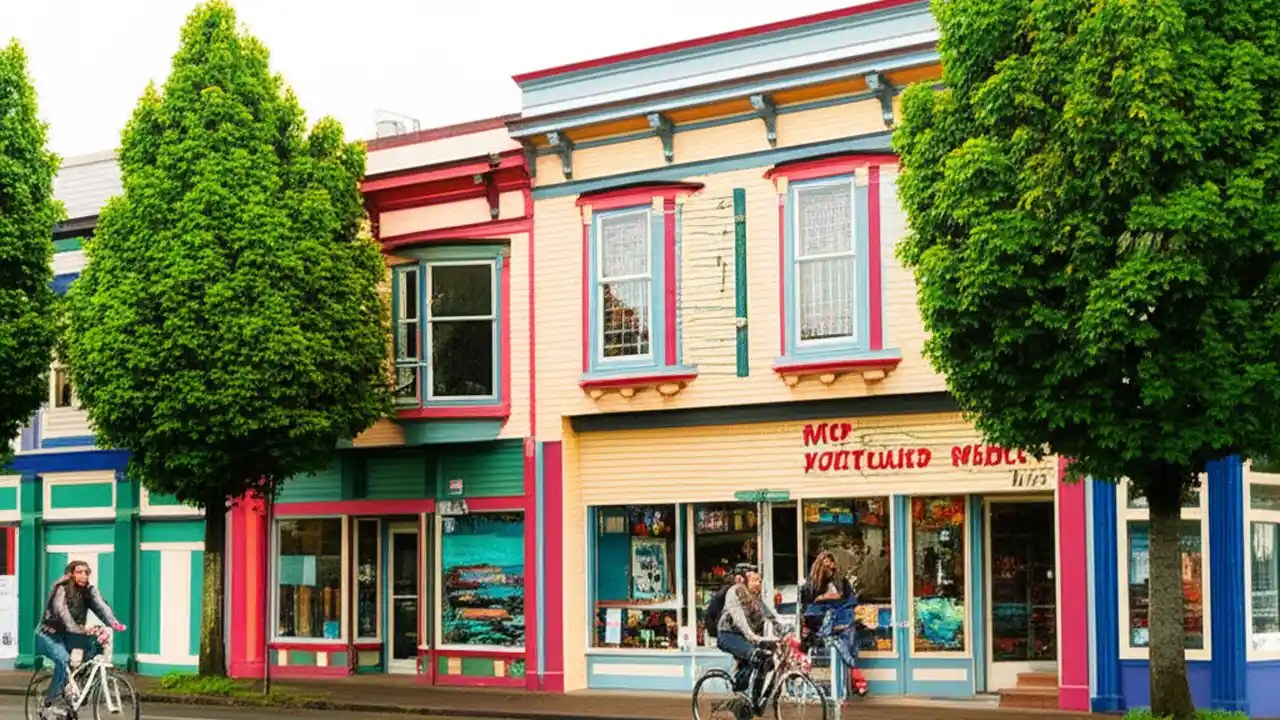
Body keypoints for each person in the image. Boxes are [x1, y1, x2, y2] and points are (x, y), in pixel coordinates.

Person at [36, 561, 126, 719]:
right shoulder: (61, 589)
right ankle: (53, 698)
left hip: (70, 634)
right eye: (79, 572)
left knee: (95, 644)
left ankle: (75, 684)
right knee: (63, 658)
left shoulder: (88, 591)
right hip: (49, 635)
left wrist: (113, 623)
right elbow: (63, 614)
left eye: (86, 572)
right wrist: (82, 629)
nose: (84, 576)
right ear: (70, 574)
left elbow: (101, 606)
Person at [716, 567, 782, 698]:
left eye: (760, 581)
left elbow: (771, 616)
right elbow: (739, 620)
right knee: (755, 655)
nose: (759, 583)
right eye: (755, 580)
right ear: (745, 581)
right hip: (728, 635)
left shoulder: (756, 599)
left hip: (745, 638)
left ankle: (753, 699)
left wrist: (785, 631)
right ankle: (740, 688)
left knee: (766, 661)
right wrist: (754, 637)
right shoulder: (735, 592)